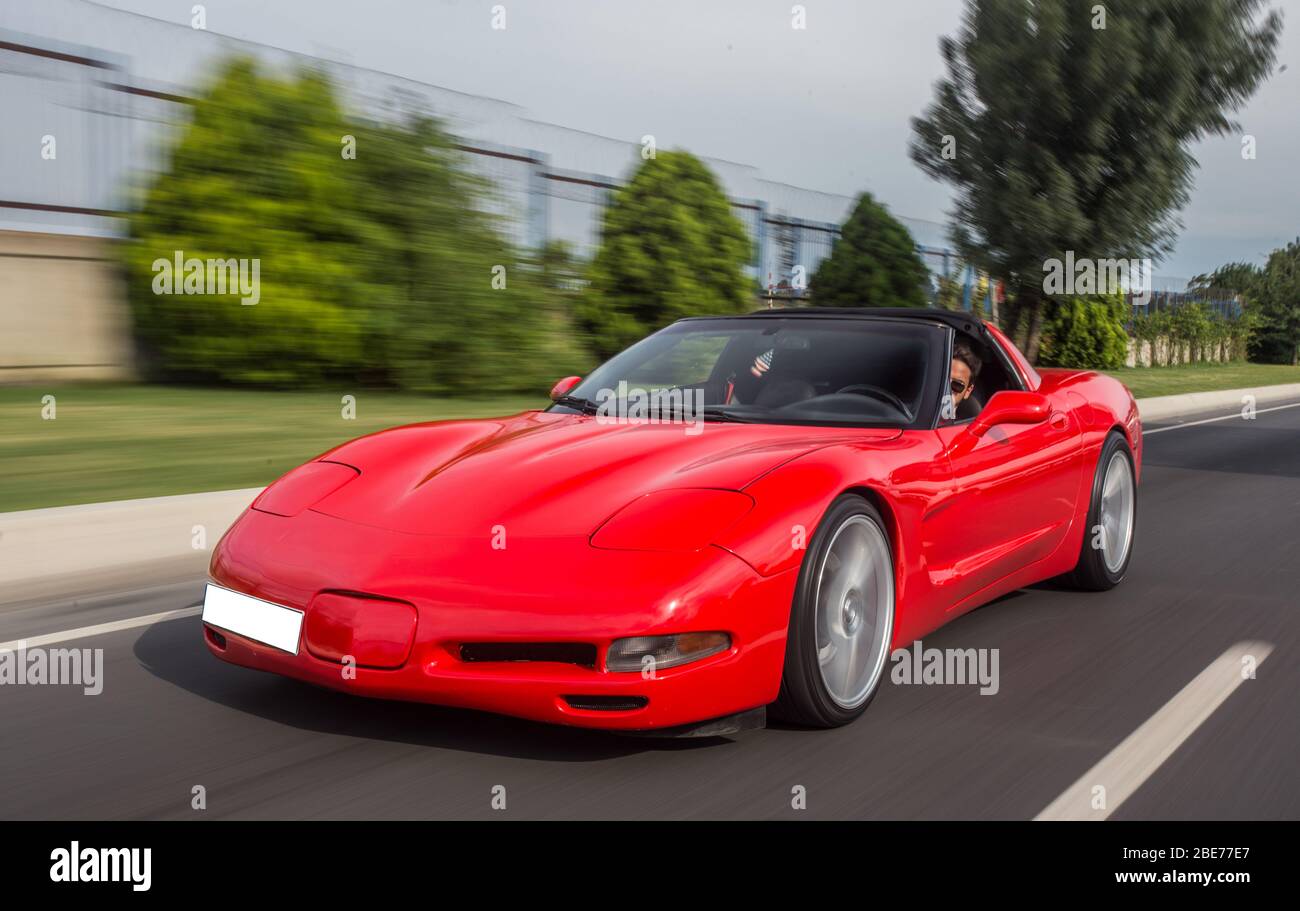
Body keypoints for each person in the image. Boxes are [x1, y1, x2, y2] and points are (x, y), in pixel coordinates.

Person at [949, 341, 983, 418]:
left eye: (956, 385)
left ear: (968, 391)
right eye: (943, 381)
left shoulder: (966, 426)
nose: (946, 389)